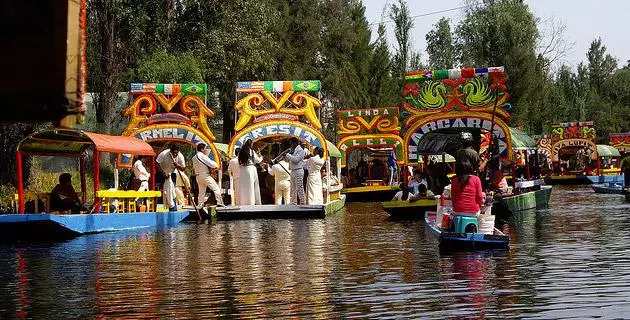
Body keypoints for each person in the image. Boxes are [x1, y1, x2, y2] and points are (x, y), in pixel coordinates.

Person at [192, 143, 224, 208]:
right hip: (205, 175)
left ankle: (200, 205)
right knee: (216, 188)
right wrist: (217, 164)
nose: (206, 149)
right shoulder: (202, 156)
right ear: (202, 149)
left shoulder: (194, 157)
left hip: (198, 176)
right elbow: (213, 164)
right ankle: (220, 202)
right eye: (205, 148)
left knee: (201, 192)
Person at [156, 143, 185, 211]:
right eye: (173, 153)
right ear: (170, 151)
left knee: (172, 190)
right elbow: (157, 163)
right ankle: (156, 207)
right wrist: (163, 173)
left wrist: (177, 166)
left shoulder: (180, 156)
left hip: (172, 174)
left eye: (176, 153)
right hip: (161, 172)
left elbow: (183, 168)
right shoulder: (164, 154)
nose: (175, 155)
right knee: (158, 188)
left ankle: (172, 208)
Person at [238, 139, 263, 205]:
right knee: (251, 186)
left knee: (243, 187)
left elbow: (239, 162)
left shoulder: (241, 151)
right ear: (250, 143)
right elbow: (258, 160)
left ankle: (243, 202)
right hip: (250, 169)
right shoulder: (251, 151)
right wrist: (261, 157)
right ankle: (251, 202)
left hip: (243, 170)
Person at [285, 137, 306, 205]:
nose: (291, 145)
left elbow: (296, 159)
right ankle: (293, 202)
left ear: (295, 143)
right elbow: (287, 160)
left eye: (291, 143)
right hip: (293, 170)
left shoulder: (301, 150)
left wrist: (288, 155)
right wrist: (287, 155)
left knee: (299, 187)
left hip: (298, 170)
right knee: (292, 188)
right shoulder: (292, 150)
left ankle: (303, 202)